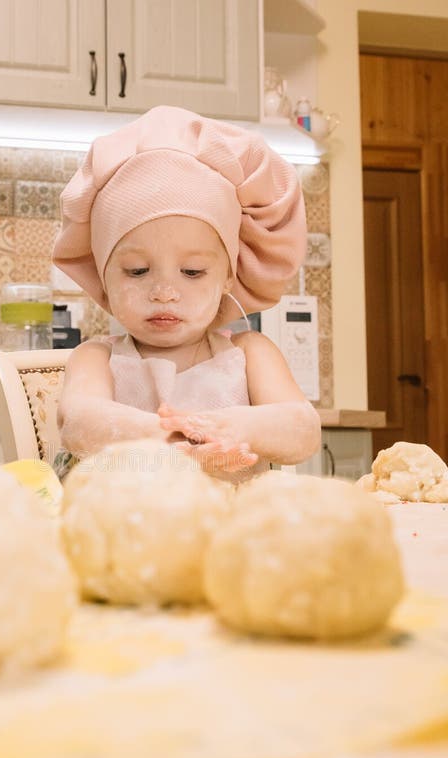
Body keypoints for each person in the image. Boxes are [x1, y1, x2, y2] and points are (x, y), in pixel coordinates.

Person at [52, 105, 321, 481]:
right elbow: (80, 423)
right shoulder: (97, 357)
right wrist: (173, 439)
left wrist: (225, 429)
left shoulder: (249, 353)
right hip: (127, 517)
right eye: (137, 271)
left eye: (192, 272)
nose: (164, 293)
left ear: (228, 277)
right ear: (103, 277)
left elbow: (302, 430)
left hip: (236, 519)